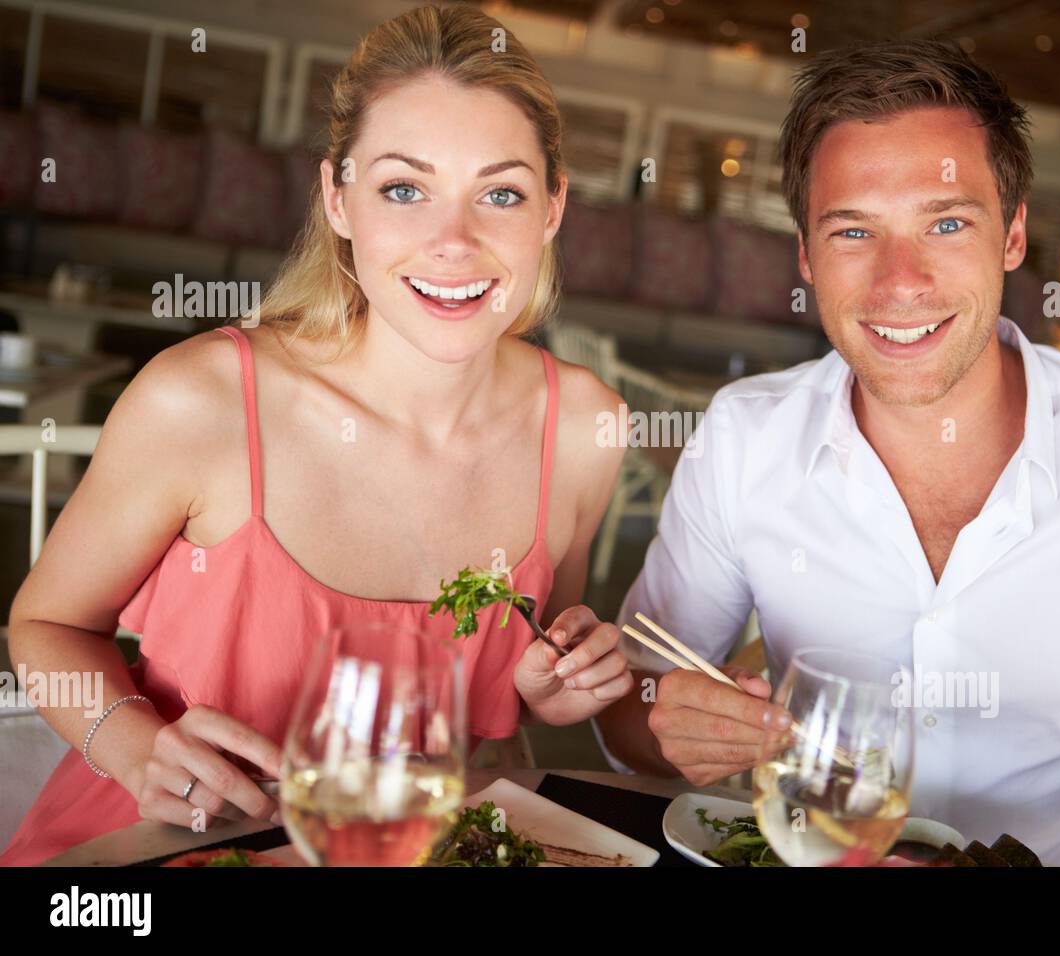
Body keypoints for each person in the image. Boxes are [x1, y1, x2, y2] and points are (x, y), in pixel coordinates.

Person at [561, 39, 1060, 866]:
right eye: (853, 232)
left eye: (946, 223)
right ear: (805, 254)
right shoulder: (743, 436)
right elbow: (640, 691)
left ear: (1013, 234)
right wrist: (675, 726)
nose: (900, 281)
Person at [1, 4, 632, 866]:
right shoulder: (205, 400)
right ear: (339, 198)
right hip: (174, 849)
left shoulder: (586, 427)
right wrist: (135, 745)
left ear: (551, 210)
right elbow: (46, 624)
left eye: (501, 193)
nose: (454, 241)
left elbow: (532, 659)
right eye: (404, 189)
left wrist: (555, 685)